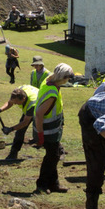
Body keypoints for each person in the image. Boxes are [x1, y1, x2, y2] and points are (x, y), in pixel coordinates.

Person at [32, 63, 75, 193]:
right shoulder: (52, 93)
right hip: (46, 130)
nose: (68, 81)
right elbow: (39, 113)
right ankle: (42, 185)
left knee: (54, 156)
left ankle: (53, 184)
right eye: (67, 78)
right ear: (63, 78)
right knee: (52, 157)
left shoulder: (48, 81)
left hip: (49, 129)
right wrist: (40, 135)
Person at [0, 84, 40, 159]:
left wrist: (11, 129)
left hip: (44, 110)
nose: (15, 104)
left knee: (46, 131)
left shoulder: (31, 104)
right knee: (20, 131)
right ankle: (13, 153)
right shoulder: (18, 92)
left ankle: (59, 151)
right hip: (31, 107)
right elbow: (10, 102)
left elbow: (25, 123)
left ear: (23, 99)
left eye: (16, 102)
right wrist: (0, 109)